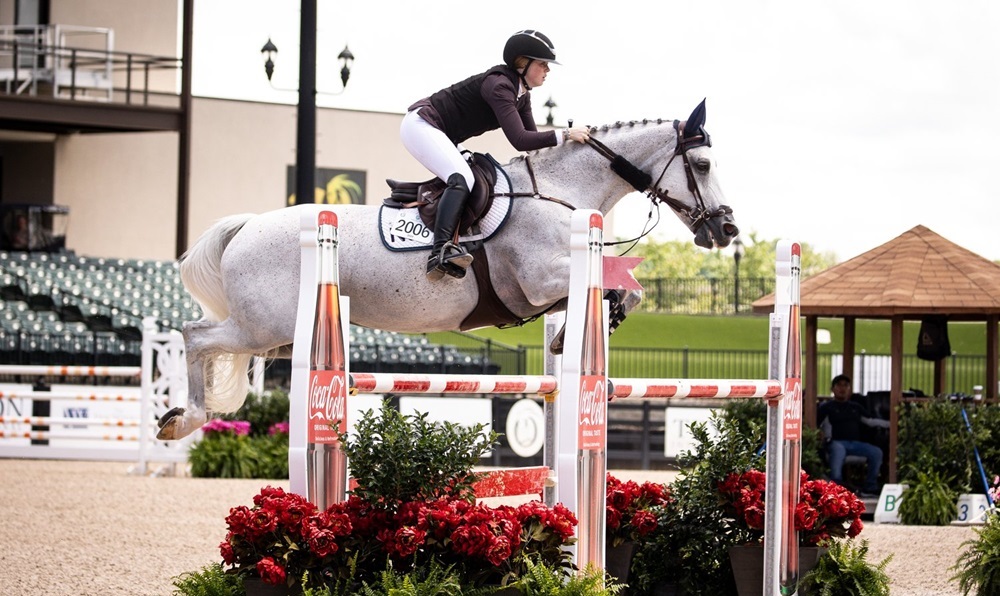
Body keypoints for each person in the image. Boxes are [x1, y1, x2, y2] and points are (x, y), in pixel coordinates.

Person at [401, 29, 591, 281]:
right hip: (423, 124)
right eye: (543, 64)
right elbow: (519, 140)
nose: (548, 70)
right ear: (522, 63)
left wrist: (568, 148)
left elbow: (531, 145)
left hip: (442, 133)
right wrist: (566, 134)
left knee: (472, 178)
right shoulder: (499, 86)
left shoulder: (521, 94)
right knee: (462, 179)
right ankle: (440, 252)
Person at [818, 374, 890, 497]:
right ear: (832, 389)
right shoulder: (826, 407)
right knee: (838, 449)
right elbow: (817, 426)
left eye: (845, 385)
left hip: (855, 444)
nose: (842, 388)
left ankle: (870, 486)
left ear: (849, 389)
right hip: (835, 443)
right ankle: (836, 485)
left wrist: (893, 424)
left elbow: (871, 421)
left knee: (876, 452)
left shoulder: (855, 407)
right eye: (839, 385)